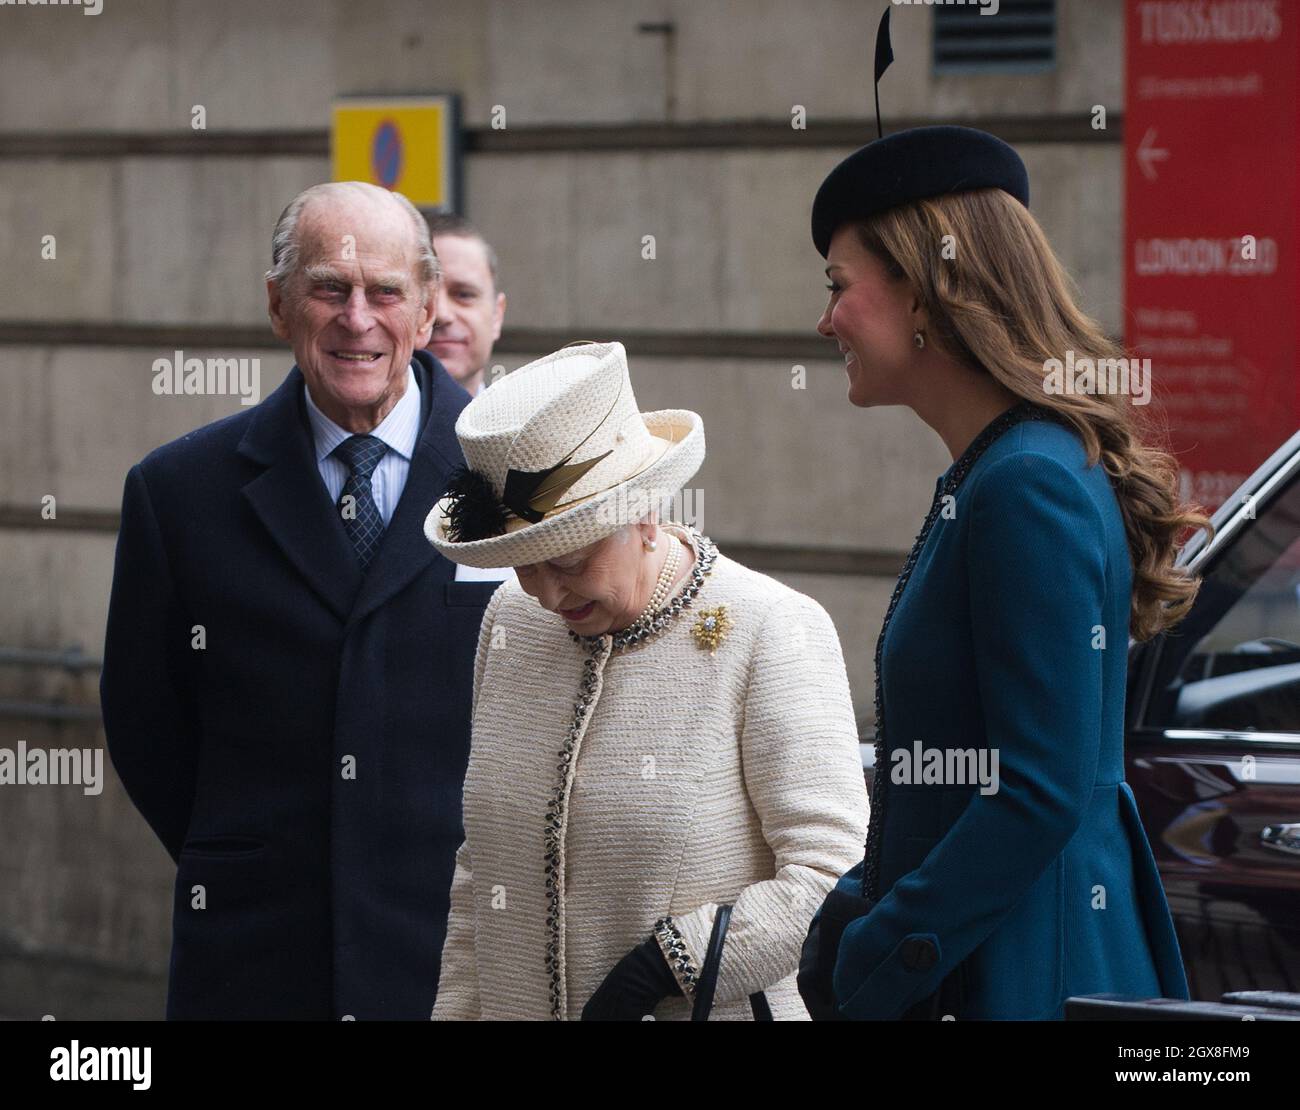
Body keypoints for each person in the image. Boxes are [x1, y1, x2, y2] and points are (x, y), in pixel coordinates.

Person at [796, 107, 1211, 1017]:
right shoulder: (1003, 469)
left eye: (839, 284)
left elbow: (1039, 788)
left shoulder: (1025, 482)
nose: (824, 320)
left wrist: (875, 951)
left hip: (1024, 974)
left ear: (921, 293)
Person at [100, 181, 503, 1020]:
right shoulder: (178, 493)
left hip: (460, 960)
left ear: (426, 313)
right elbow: (145, 721)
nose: (358, 319)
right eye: (329, 287)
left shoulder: (514, 481)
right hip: (254, 962)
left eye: (386, 292)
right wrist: (244, 858)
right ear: (278, 305)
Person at [423, 341, 868, 1020]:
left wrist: (671, 963)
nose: (544, 593)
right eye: (522, 564)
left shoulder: (770, 628)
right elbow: (479, 872)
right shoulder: (509, 623)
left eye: (568, 559)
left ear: (647, 512)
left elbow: (831, 875)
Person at [424, 213, 506, 396]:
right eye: (425, 295)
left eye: (464, 294)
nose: (442, 314)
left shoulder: (535, 425)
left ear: (497, 316)